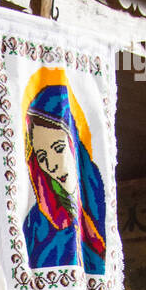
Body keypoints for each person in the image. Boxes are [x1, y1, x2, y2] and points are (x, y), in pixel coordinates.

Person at [22, 80, 106, 275]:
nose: (52, 165)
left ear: (74, 146)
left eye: (58, 149)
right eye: (42, 157)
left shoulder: (99, 197)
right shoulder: (34, 223)